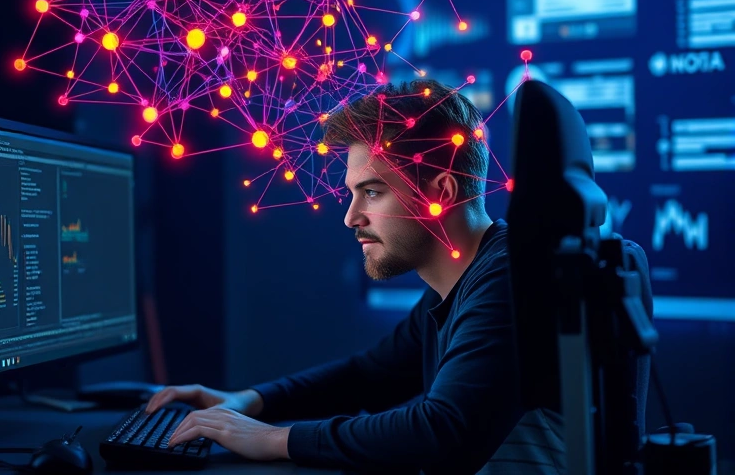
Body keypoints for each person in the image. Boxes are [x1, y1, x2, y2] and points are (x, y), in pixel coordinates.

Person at [144, 79, 567, 474]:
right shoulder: (461, 282)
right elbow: (369, 375)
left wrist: (275, 439)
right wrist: (249, 402)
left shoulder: (510, 279)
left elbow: (442, 429)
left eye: (372, 192)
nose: (351, 218)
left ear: (441, 191)